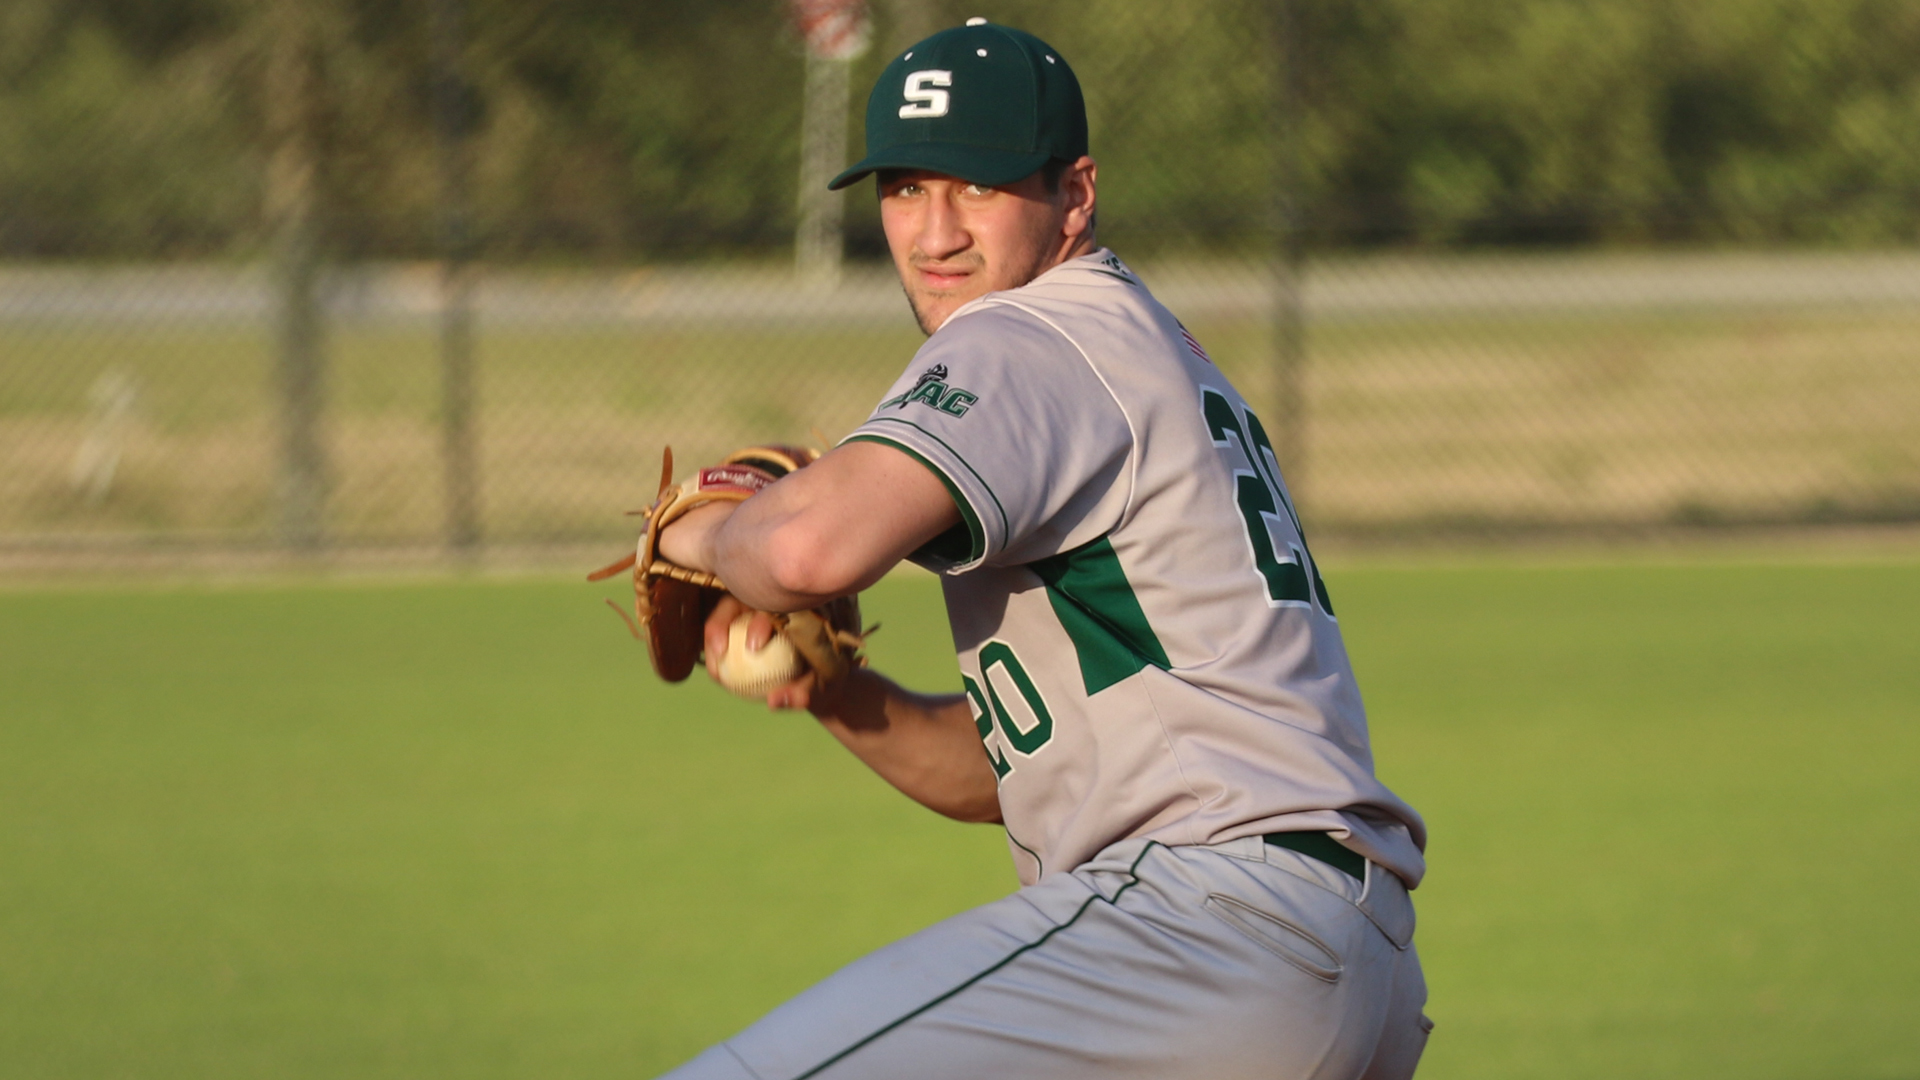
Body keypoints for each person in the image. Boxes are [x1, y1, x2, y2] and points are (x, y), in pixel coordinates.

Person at [654, 20, 1431, 1080]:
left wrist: (696, 528)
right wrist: (842, 695)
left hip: (1210, 929)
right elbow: (1004, 774)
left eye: (977, 187)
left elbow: (803, 548)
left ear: (1075, 194)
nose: (933, 233)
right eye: (903, 188)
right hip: (1333, 956)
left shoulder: (1029, 334)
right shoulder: (1144, 347)